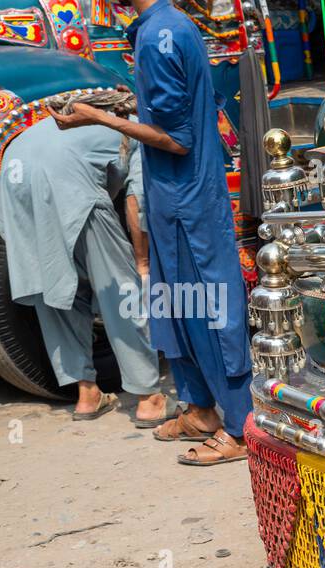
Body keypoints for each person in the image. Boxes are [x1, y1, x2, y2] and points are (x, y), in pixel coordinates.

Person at [50, 0, 252, 465]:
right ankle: (201, 409)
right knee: (173, 310)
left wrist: (99, 118)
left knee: (209, 311)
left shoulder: (162, 35)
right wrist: (124, 106)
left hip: (190, 202)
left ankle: (240, 428)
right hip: (170, 199)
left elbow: (177, 139)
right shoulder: (156, 28)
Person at [0, 118, 168, 425]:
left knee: (56, 291)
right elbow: (135, 202)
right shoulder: (140, 133)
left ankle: (87, 394)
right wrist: (142, 262)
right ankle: (149, 399)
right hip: (67, 181)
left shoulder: (69, 124)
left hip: (13, 179)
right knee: (119, 290)